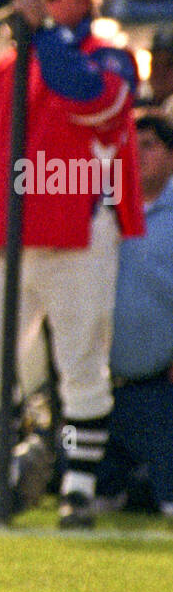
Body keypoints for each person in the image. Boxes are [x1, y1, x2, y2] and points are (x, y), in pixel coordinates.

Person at [0, 0, 143, 529]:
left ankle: (78, 491)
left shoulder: (111, 56)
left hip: (77, 234)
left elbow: (93, 100)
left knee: (81, 365)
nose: (31, 3)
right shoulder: (6, 67)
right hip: (5, 241)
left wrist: (43, 33)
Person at [94, 112, 173, 520]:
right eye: (131, 145)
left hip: (162, 392)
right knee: (94, 505)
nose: (138, 155)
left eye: (150, 145)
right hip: (102, 392)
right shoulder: (101, 210)